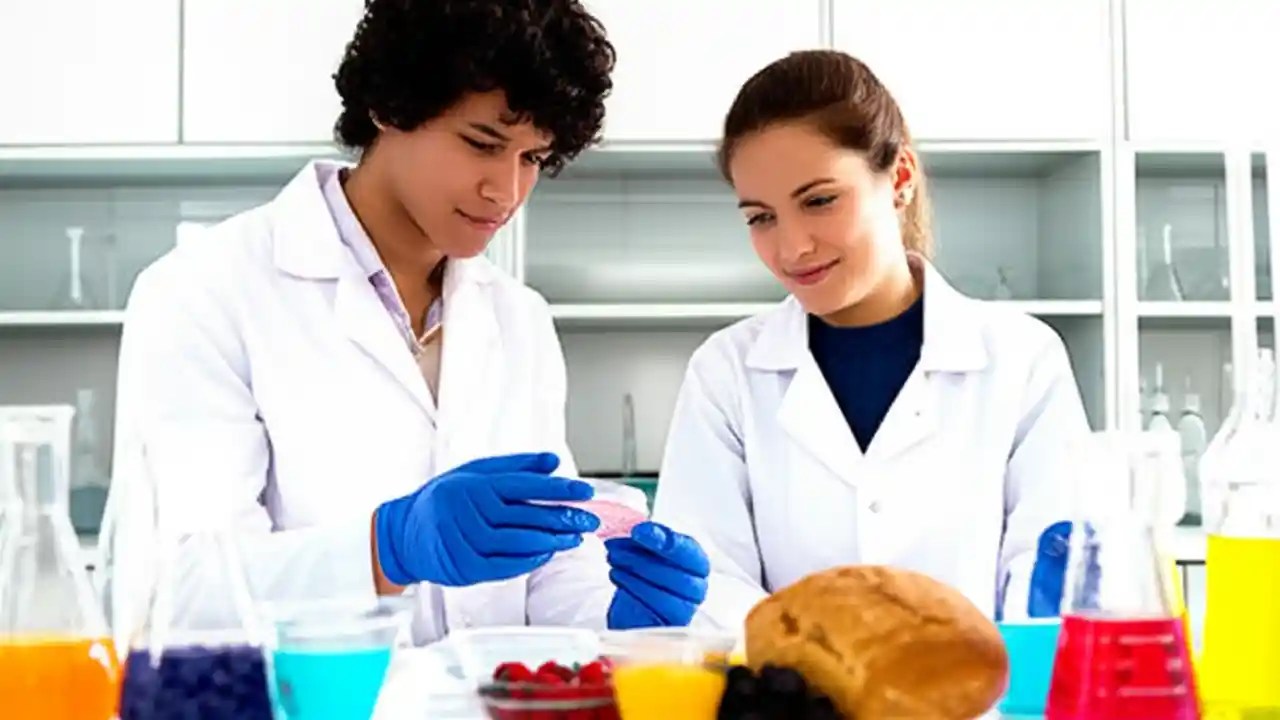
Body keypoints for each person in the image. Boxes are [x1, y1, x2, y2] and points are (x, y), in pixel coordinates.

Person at [102, 0, 708, 647]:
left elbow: (546, 574)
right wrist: (384, 548)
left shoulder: (519, 318)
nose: (506, 191)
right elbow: (180, 592)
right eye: (482, 144)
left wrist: (617, 618)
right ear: (390, 106)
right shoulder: (204, 291)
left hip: (484, 696)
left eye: (534, 158)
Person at [651, 50, 1091, 632]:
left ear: (900, 178)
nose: (792, 247)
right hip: (785, 684)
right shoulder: (727, 371)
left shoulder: (1022, 359)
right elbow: (711, 586)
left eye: (819, 201)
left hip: (978, 686)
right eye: (761, 217)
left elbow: (1045, 586)